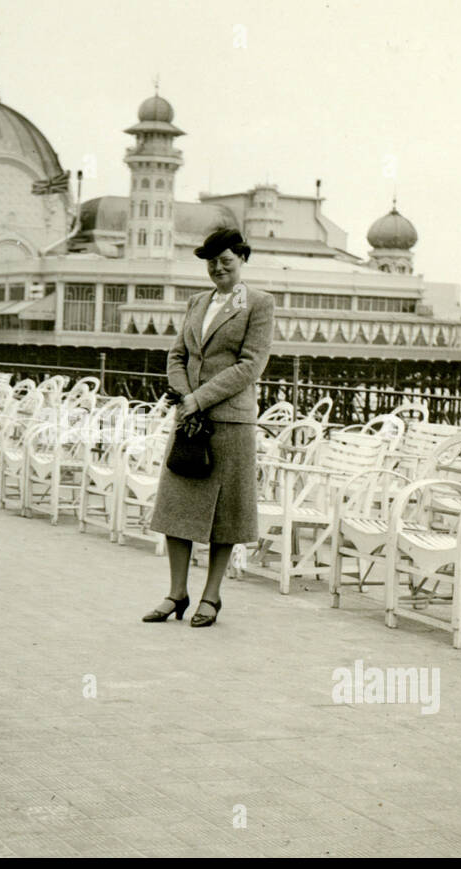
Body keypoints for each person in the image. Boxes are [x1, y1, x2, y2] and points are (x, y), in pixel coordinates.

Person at [142, 228, 274, 628]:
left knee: (225, 514)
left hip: (229, 421)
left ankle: (211, 596)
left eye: (226, 260)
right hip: (191, 419)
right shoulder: (197, 302)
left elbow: (250, 365)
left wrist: (197, 400)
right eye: (211, 261)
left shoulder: (259, 304)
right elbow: (177, 354)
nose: (217, 268)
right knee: (175, 507)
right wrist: (185, 398)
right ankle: (176, 593)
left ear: (242, 259)